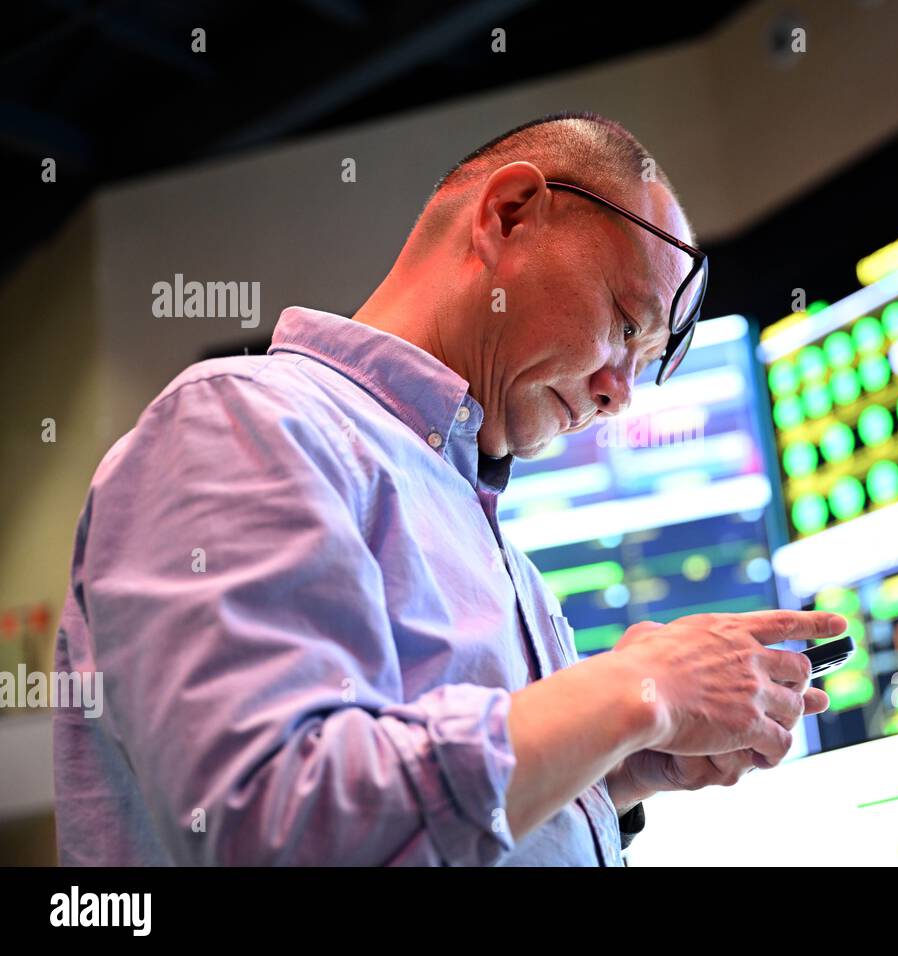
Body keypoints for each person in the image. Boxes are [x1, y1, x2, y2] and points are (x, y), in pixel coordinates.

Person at [52, 112, 845, 866]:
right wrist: (635, 691)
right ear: (509, 214)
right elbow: (275, 827)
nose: (618, 394)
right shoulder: (242, 422)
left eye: (642, 369)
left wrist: (616, 772)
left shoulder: (504, 560)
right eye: (626, 324)